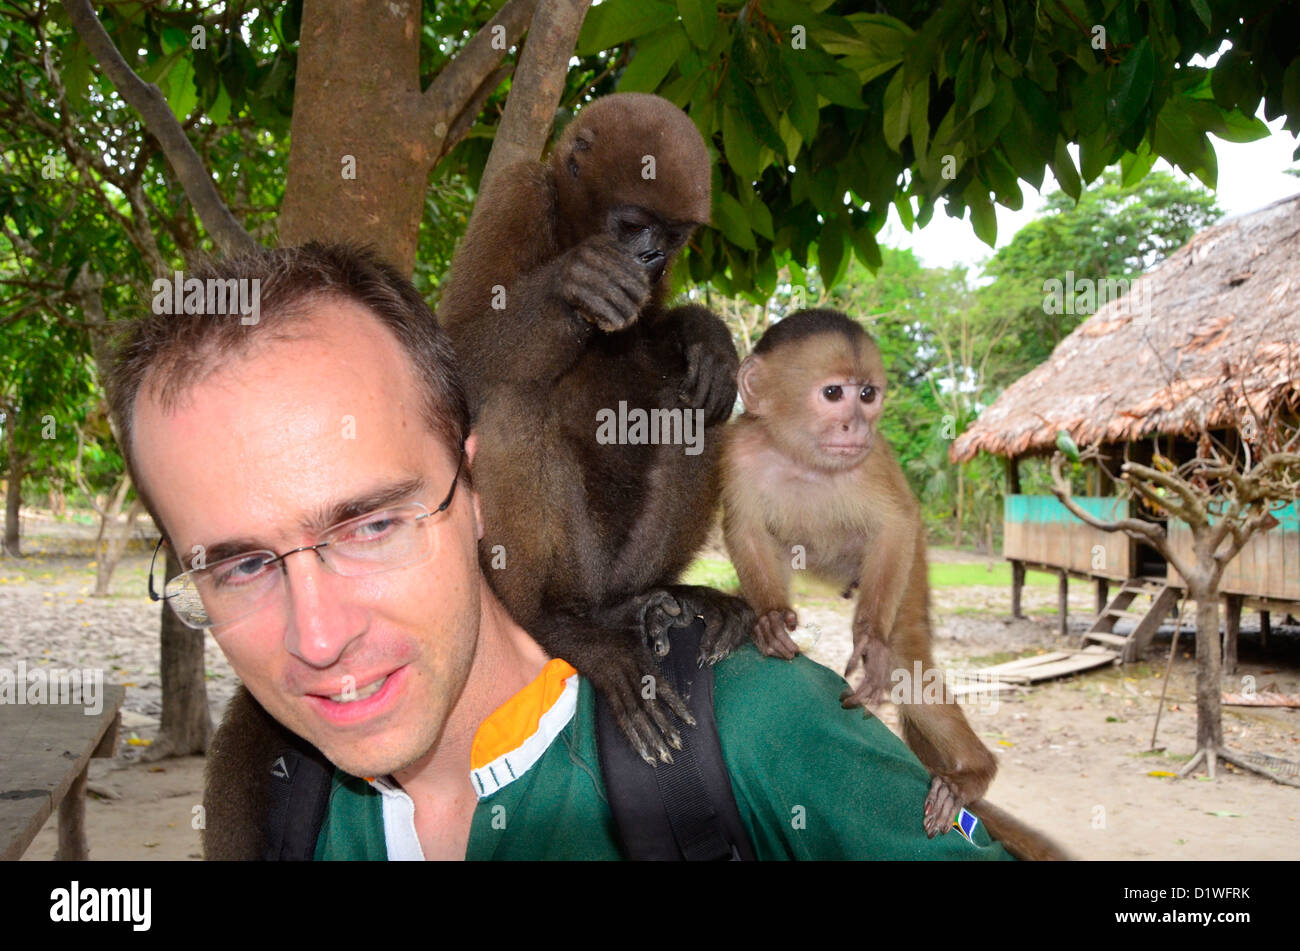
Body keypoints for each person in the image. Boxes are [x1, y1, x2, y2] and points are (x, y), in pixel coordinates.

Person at [107, 243, 1014, 860]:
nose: (318, 636)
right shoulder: (279, 805)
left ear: (475, 488)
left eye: (372, 523)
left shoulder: (753, 727)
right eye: (241, 563)